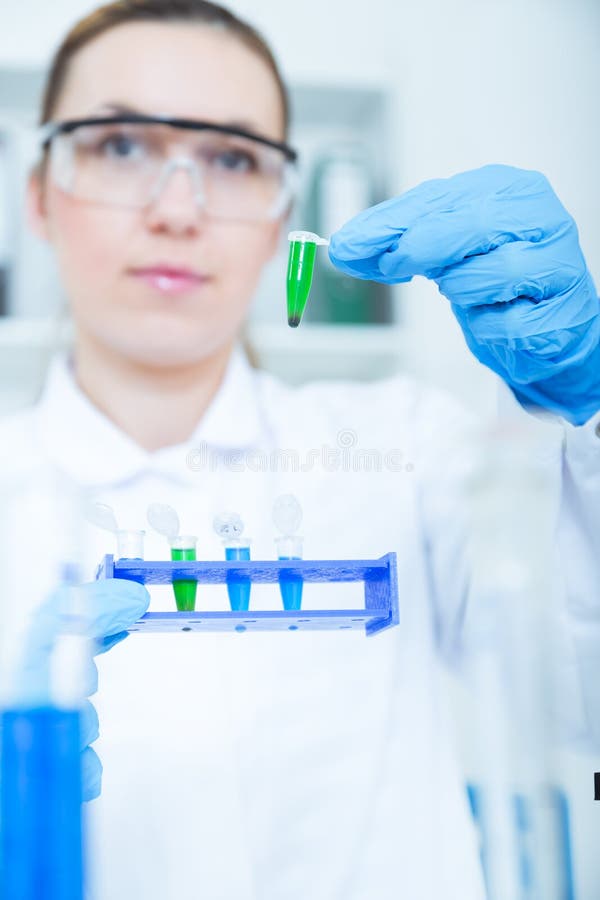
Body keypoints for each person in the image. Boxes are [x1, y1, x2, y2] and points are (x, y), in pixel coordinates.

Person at [1, 1, 599, 897]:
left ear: (285, 216)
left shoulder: (408, 445)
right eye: (121, 145)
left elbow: (580, 694)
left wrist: (593, 407)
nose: (176, 209)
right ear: (41, 193)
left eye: (233, 159)